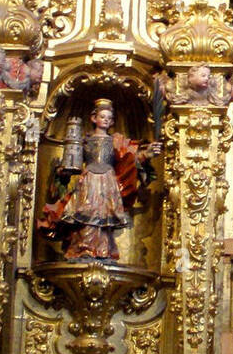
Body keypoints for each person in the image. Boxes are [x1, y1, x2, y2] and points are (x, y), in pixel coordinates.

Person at [39, 99, 160, 260]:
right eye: (102, 116)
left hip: (108, 182)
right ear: (93, 118)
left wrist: (146, 154)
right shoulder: (84, 140)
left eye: (109, 118)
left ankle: (103, 251)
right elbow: (72, 161)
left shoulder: (115, 141)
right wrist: (64, 171)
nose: (106, 120)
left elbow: (129, 158)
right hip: (88, 180)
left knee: (103, 216)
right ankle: (82, 248)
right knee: (85, 214)